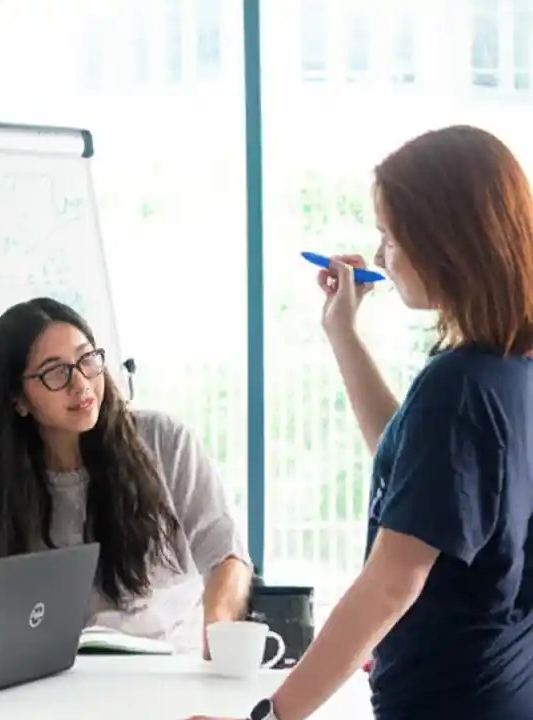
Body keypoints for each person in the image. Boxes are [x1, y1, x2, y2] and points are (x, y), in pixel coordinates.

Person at [191, 126, 533, 720]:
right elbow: (422, 482)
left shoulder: (458, 388)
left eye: (390, 236)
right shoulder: (508, 372)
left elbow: (390, 584)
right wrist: (342, 332)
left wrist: (274, 716)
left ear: (445, 243)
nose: (379, 258)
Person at [0, 297, 252, 655]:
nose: (81, 384)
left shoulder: (162, 441)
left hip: (165, 669)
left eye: (87, 359)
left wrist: (216, 631)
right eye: (56, 372)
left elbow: (227, 555)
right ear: (17, 399)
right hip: (56, 683)